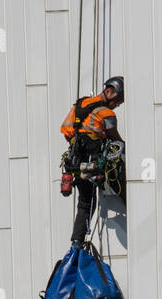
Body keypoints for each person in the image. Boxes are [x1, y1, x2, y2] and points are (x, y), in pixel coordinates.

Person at [61, 75, 124, 244]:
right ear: (109, 91)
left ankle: (77, 242)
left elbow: (66, 130)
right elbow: (116, 139)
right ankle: (78, 244)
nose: (117, 105)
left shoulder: (81, 104)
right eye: (118, 100)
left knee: (84, 203)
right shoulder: (107, 114)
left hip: (75, 160)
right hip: (91, 160)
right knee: (89, 203)